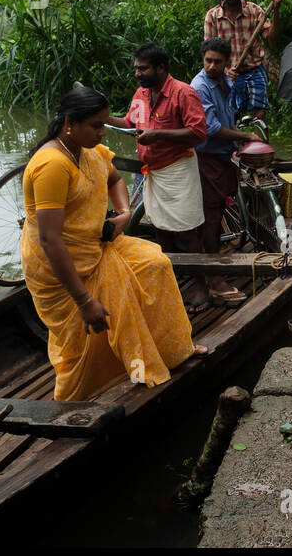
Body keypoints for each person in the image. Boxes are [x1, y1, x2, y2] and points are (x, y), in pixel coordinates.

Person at [20, 86, 206, 401]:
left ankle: (172, 350)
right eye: (96, 125)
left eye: (104, 123)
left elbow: (114, 179)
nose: (103, 132)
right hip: (60, 263)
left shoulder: (89, 151)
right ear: (70, 123)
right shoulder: (52, 165)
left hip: (97, 246)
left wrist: (123, 213)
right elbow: (50, 240)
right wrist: (83, 301)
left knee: (155, 264)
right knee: (84, 337)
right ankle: (77, 399)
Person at [107, 42, 211, 314]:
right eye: (136, 68)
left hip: (178, 169)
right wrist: (104, 119)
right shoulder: (141, 93)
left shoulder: (183, 92)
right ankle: (171, 281)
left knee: (187, 233)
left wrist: (159, 135)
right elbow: (130, 122)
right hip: (153, 173)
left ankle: (202, 286)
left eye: (143, 69)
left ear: (160, 68)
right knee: (162, 231)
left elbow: (199, 133)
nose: (137, 74)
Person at [192, 37, 262, 305]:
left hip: (223, 155)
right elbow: (211, 128)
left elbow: (233, 108)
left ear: (226, 63)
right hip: (207, 154)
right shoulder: (200, 86)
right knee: (211, 216)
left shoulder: (226, 81)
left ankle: (214, 265)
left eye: (217, 62)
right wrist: (245, 135)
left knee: (219, 210)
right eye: (208, 60)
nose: (211, 66)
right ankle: (214, 278)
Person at [203, 0, 281, 121]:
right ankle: (235, 144)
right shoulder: (212, 16)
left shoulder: (254, 11)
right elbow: (208, 51)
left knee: (260, 114)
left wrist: (276, 11)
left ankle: (260, 143)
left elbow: (271, 39)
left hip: (254, 69)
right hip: (228, 73)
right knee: (231, 115)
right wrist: (225, 70)